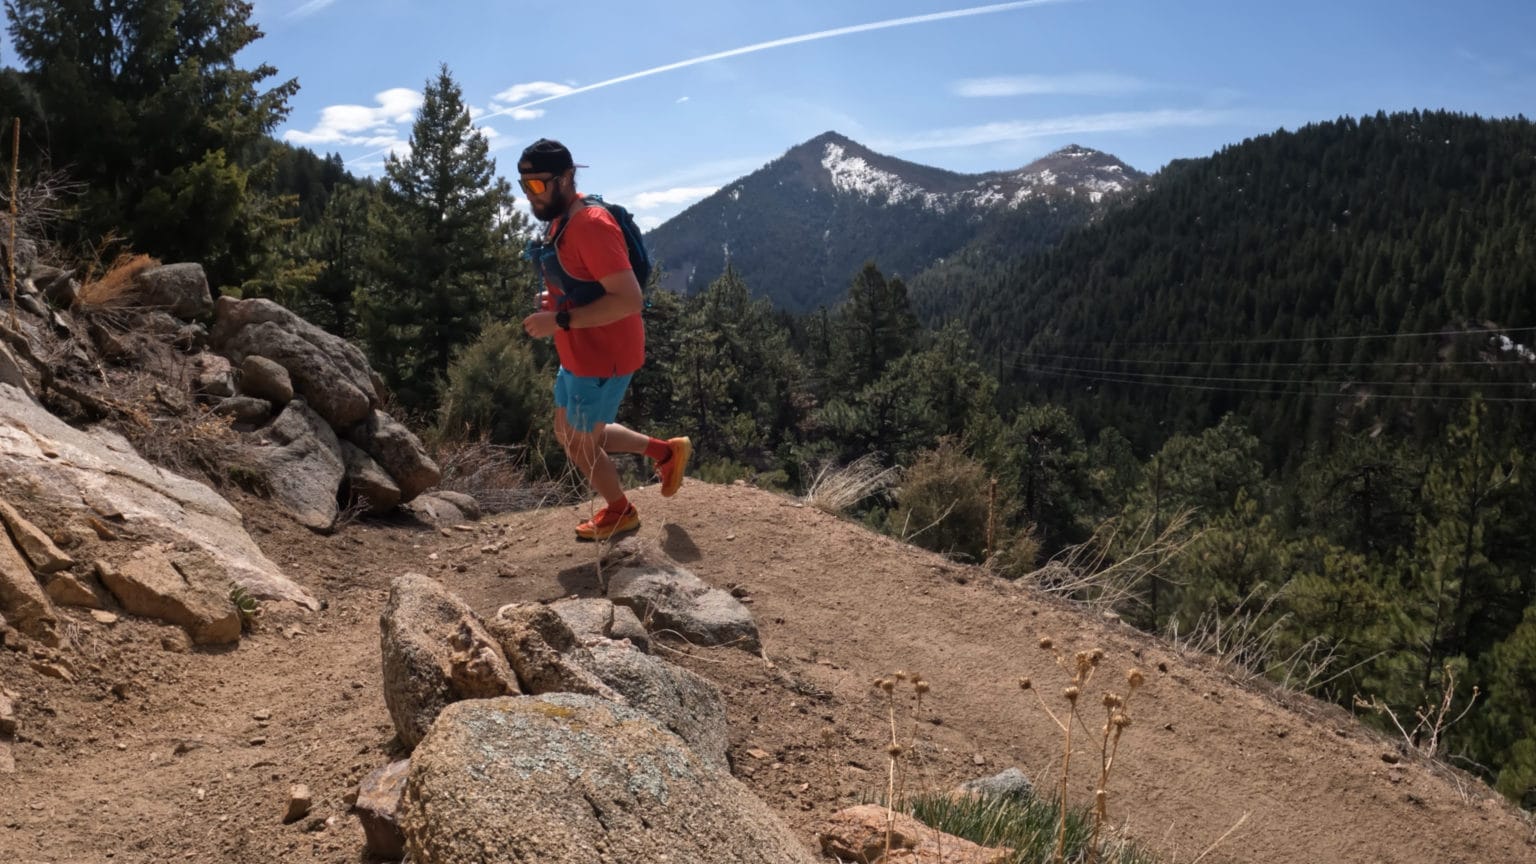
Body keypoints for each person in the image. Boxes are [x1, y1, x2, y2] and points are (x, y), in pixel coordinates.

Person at [518, 138, 690, 540]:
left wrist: (558, 320)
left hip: (602, 354)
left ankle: (621, 511)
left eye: (538, 185)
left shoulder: (591, 225)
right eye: (524, 186)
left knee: (580, 442)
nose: (531, 195)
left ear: (566, 178)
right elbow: (587, 281)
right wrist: (557, 300)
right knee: (573, 432)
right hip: (581, 351)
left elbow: (629, 299)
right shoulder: (563, 220)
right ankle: (667, 452)